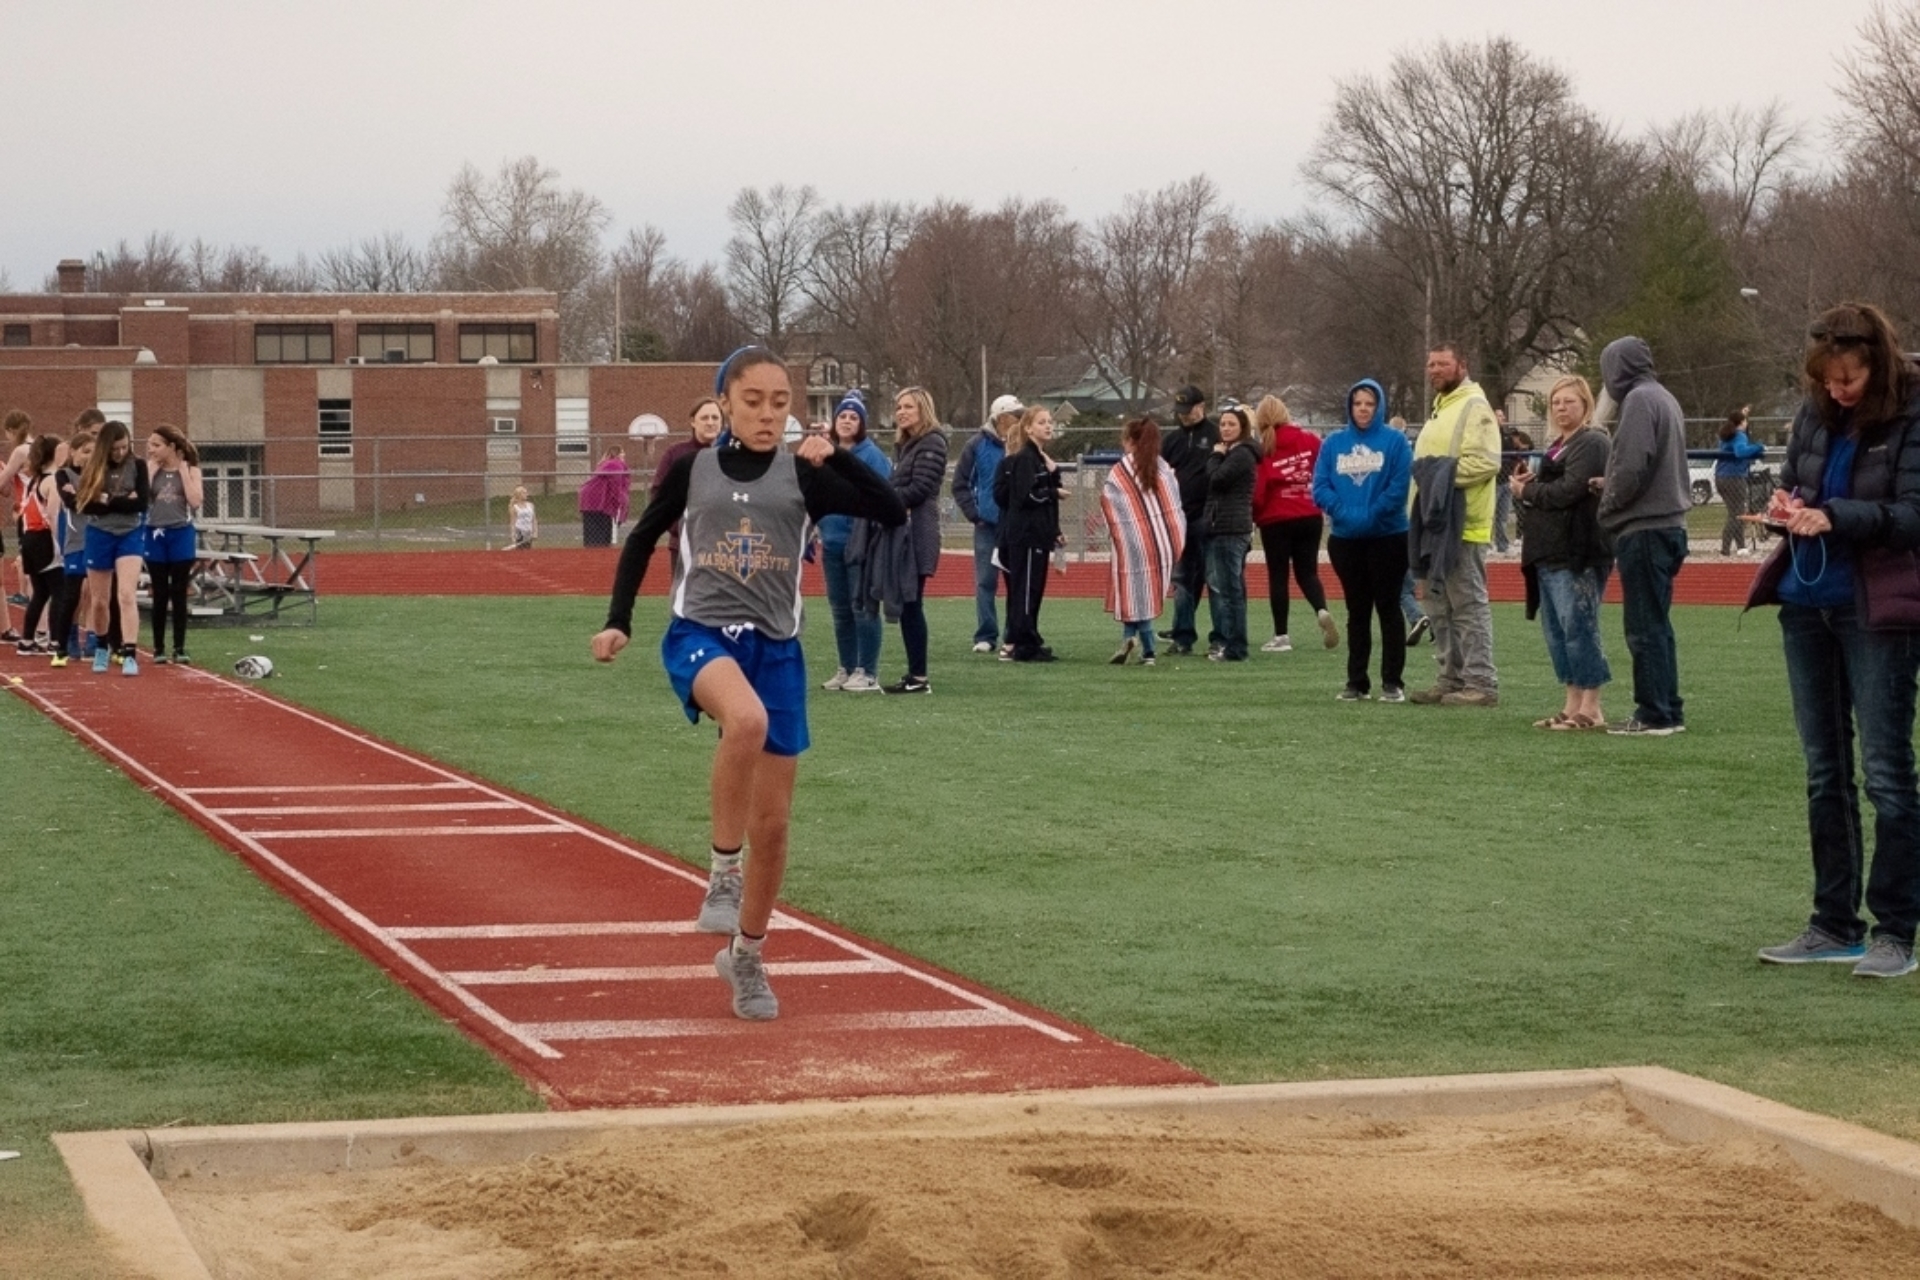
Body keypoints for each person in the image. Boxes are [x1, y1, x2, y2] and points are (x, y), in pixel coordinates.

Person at [591, 347, 907, 1020]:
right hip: (700, 635)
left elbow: (894, 510)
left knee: (778, 827)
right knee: (747, 722)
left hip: (778, 650)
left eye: (781, 402)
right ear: (725, 405)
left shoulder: (804, 474)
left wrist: (838, 455)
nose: (768, 414)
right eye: (754, 400)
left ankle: (746, 954)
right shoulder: (693, 468)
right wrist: (619, 620)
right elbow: (644, 537)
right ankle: (722, 872)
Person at [1752, 303, 1920, 979]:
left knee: (1887, 772)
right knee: (1825, 772)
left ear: (1875, 364)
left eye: (1847, 378)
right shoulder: (1812, 414)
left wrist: (1836, 516)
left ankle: (1896, 930)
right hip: (1805, 601)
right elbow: (1799, 480)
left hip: (1877, 609)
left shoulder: (1911, 415)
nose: (1835, 390)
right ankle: (1833, 922)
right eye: (1825, 378)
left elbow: (1912, 515)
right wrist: (1787, 508)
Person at [1593, 336, 1691, 736]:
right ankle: (1669, 706)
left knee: (1643, 625)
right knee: (1658, 623)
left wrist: (1610, 502)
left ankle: (1653, 712)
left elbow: (1633, 464)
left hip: (1645, 528)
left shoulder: (1637, 401)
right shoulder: (1664, 397)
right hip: (1671, 524)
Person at [1511, 375, 1613, 730]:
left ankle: (1592, 706)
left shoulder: (1592, 442)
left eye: (1569, 401)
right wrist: (1531, 485)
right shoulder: (1556, 446)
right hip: (1548, 550)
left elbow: (1571, 490)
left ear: (1585, 404)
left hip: (1579, 550)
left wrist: (1529, 493)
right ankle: (1571, 703)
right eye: (1556, 402)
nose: (1561, 407)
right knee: (1556, 630)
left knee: (1579, 625)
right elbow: (1553, 489)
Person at [1407, 342, 1502, 706]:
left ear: (1462, 365)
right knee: (1438, 607)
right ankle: (1450, 678)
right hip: (1433, 526)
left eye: (1442, 364)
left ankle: (1481, 683)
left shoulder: (1474, 407)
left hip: (1464, 525)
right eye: (1430, 364)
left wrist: (1438, 477)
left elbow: (1486, 462)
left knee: (1468, 605)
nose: (1434, 370)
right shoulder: (1440, 409)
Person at [1313, 378, 1413, 701]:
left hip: (1388, 537)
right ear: (1349, 406)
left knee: (1388, 607)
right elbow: (1321, 486)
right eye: (1358, 403)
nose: (1363, 409)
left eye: (1369, 403)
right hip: (1346, 539)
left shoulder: (1395, 442)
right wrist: (1344, 512)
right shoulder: (1333, 444)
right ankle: (1357, 682)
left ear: (1379, 406)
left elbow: (1398, 488)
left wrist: (1370, 515)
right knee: (1357, 611)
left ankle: (1392, 682)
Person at [1251, 395, 1339, 654]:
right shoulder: (1310, 440)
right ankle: (1321, 609)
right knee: (1308, 572)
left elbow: (1259, 491)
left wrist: (1256, 515)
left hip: (1276, 518)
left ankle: (1281, 635)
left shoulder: (1264, 447)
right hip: (1309, 514)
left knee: (1278, 576)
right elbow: (1325, 472)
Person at [817, 392, 891, 693]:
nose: (847, 421)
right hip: (831, 541)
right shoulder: (826, 454)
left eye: (853, 417)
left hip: (859, 542)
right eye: (842, 416)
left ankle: (867, 671)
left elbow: (882, 495)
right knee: (840, 609)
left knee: (863, 607)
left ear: (862, 424)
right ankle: (846, 667)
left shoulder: (872, 456)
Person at [1100, 417, 1186, 666]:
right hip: (1161, 543)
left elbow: (1110, 503)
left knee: (1131, 589)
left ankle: (1132, 638)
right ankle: (1147, 652)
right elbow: (1174, 506)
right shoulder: (1163, 467)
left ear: (1129, 440)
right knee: (1148, 592)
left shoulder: (1121, 470)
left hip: (1131, 541)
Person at [880, 386, 947, 694]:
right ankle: (915, 674)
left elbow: (921, 487)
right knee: (908, 602)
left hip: (918, 530)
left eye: (908, 406)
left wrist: (884, 500)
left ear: (923, 409)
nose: (902, 412)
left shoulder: (932, 442)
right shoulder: (905, 446)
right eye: (898, 407)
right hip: (904, 527)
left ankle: (920, 677)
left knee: (912, 601)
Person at [75, 420, 148, 675]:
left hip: (129, 534)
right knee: (99, 601)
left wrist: (107, 498)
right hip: (99, 534)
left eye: (124, 447)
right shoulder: (92, 468)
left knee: (127, 594)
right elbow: (86, 505)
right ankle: (102, 646)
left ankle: (129, 651)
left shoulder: (137, 465)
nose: (119, 453)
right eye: (114, 449)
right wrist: (119, 501)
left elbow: (140, 503)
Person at [994, 405, 1065, 663]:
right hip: (1025, 535)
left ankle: (1031, 637)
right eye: (1042, 422)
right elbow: (1026, 496)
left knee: (1034, 590)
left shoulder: (1039, 458)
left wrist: (1054, 473)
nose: (1048, 426)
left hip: (1038, 534)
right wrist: (1052, 492)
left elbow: (1047, 490)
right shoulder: (1025, 458)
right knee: (1024, 590)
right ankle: (1023, 643)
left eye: (1050, 422)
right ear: (1028, 428)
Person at [952, 394, 1017, 654]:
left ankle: (1014, 634)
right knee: (985, 581)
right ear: (1001, 417)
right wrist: (974, 514)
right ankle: (986, 635)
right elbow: (960, 483)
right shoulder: (976, 444)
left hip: (1014, 525)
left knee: (1017, 582)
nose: (1020, 420)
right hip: (987, 525)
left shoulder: (1023, 444)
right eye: (1015, 414)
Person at [1159, 385, 1219, 655]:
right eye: (1180, 412)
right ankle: (1182, 637)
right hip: (1178, 519)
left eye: (1188, 410)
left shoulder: (1216, 434)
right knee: (1182, 580)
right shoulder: (1171, 441)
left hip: (1207, 517)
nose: (1183, 416)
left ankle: (1220, 637)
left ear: (1201, 406)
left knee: (1213, 579)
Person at [1203, 406, 1260, 661]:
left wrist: (1215, 456)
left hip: (1230, 528)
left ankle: (1236, 647)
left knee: (1230, 591)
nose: (1225, 428)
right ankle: (1234, 644)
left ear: (1243, 428)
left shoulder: (1241, 454)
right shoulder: (1236, 453)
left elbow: (1217, 479)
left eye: (1232, 424)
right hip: (1227, 526)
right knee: (1231, 589)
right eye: (1223, 424)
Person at [143, 425, 203, 665]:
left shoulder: (190, 470)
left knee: (178, 592)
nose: (152, 450)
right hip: (155, 534)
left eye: (157, 445)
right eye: (150, 445)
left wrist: (184, 472)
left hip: (181, 534)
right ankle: (158, 647)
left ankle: (179, 646)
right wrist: (150, 469)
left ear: (172, 447)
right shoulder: (150, 469)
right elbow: (140, 496)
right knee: (159, 592)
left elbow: (195, 501)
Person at [48, 425, 95, 667]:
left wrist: (85, 495)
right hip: (76, 539)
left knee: (97, 593)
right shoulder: (63, 474)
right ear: (74, 452)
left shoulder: (100, 474)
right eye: (86, 451)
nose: (89, 457)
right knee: (72, 594)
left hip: (99, 538)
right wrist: (92, 497)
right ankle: (66, 642)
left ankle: (98, 638)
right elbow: (73, 503)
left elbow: (100, 501)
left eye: (93, 452)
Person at [14, 435, 63, 654]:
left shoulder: (33, 480)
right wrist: (61, 543)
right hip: (46, 539)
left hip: (30, 539)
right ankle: (55, 641)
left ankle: (26, 640)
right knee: (58, 592)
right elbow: (52, 515)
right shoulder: (52, 480)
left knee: (40, 593)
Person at [1715, 406, 1766, 556]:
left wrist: (1743, 413)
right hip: (1734, 478)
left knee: (1735, 512)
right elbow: (1741, 452)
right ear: (1742, 423)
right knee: (1736, 513)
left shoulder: (1726, 435)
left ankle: (1741, 546)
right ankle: (1725, 548)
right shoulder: (1739, 435)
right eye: (1745, 421)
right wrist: (1759, 446)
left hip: (1720, 477)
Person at [0, 409, 31, 643]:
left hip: (30, 514)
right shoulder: (37, 447)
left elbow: (5, 487)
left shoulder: (21, 451)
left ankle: (26, 631)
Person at [578, 445, 631, 547]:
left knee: (598, 528)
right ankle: (598, 549)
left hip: (592, 499)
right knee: (598, 531)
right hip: (596, 499)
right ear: (617, 454)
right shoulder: (615, 465)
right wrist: (619, 501)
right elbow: (616, 485)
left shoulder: (608, 464)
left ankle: (597, 547)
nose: (624, 455)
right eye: (622, 453)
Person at [505, 485, 537, 550]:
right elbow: (513, 523)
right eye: (524, 493)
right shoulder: (514, 507)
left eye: (526, 492)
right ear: (519, 495)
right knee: (521, 551)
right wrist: (513, 536)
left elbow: (534, 520)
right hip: (519, 532)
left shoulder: (530, 505)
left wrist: (535, 532)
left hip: (528, 532)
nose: (526, 494)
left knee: (528, 550)